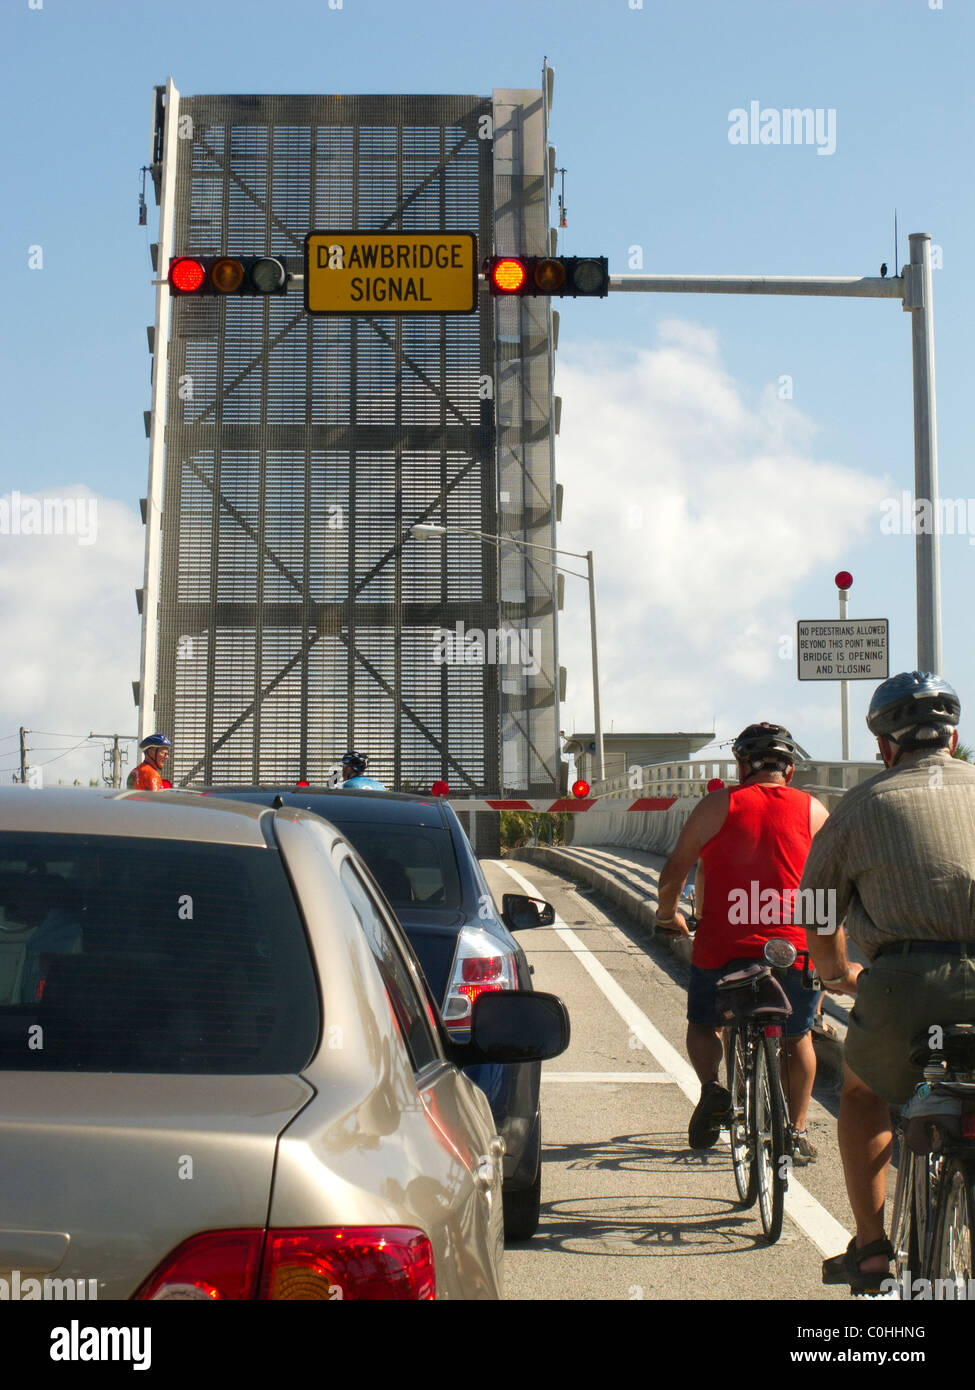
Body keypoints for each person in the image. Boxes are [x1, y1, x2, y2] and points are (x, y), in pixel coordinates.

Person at [800, 671, 975, 1291]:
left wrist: (831, 970)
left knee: (862, 1094)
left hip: (902, 982)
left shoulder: (863, 804)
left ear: (885, 746)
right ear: (953, 738)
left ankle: (872, 1249)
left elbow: (819, 909)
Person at [655, 723, 829, 1159]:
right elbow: (829, 885)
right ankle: (798, 1129)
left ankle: (712, 1087)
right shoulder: (815, 810)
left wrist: (667, 916)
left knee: (704, 1022)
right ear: (789, 770)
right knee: (799, 1036)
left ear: (740, 766)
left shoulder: (718, 805)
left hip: (723, 946)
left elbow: (676, 870)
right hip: (792, 946)